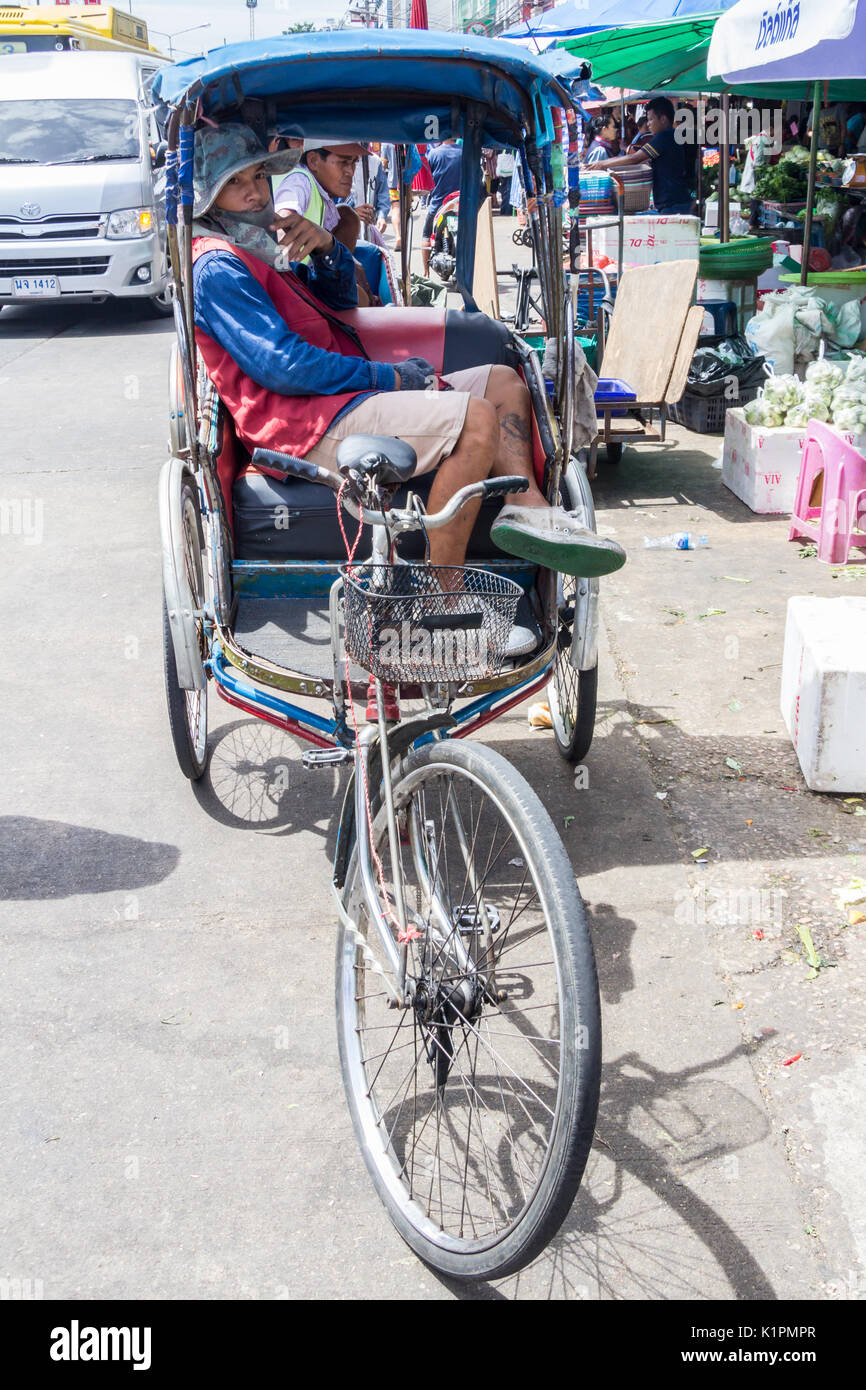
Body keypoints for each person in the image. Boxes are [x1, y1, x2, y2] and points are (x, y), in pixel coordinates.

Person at [190, 123, 626, 585]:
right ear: (209, 194)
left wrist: (327, 248)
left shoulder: (262, 247)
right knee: (477, 417)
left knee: (503, 383)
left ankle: (526, 509)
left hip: (336, 401)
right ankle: (444, 593)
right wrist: (391, 377)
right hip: (302, 422)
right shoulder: (219, 264)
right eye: (234, 183)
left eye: (258, 176)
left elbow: (340, 304)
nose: (255, 192)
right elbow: (285, 366)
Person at [584, 95, 693, 215]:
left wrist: (601, 164)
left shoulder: (664, 136)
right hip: (676, 202)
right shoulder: (670, 135)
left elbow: (635, 158)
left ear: (663, 119)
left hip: (674, 205)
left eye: (651, 119)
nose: (648, 124)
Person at [421, 137, 463, 274]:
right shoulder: (465, 152)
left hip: (439, 205)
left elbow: (427, 179)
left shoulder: (434, 154)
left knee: (426, 236)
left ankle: (426, 273)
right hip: (461, 205)